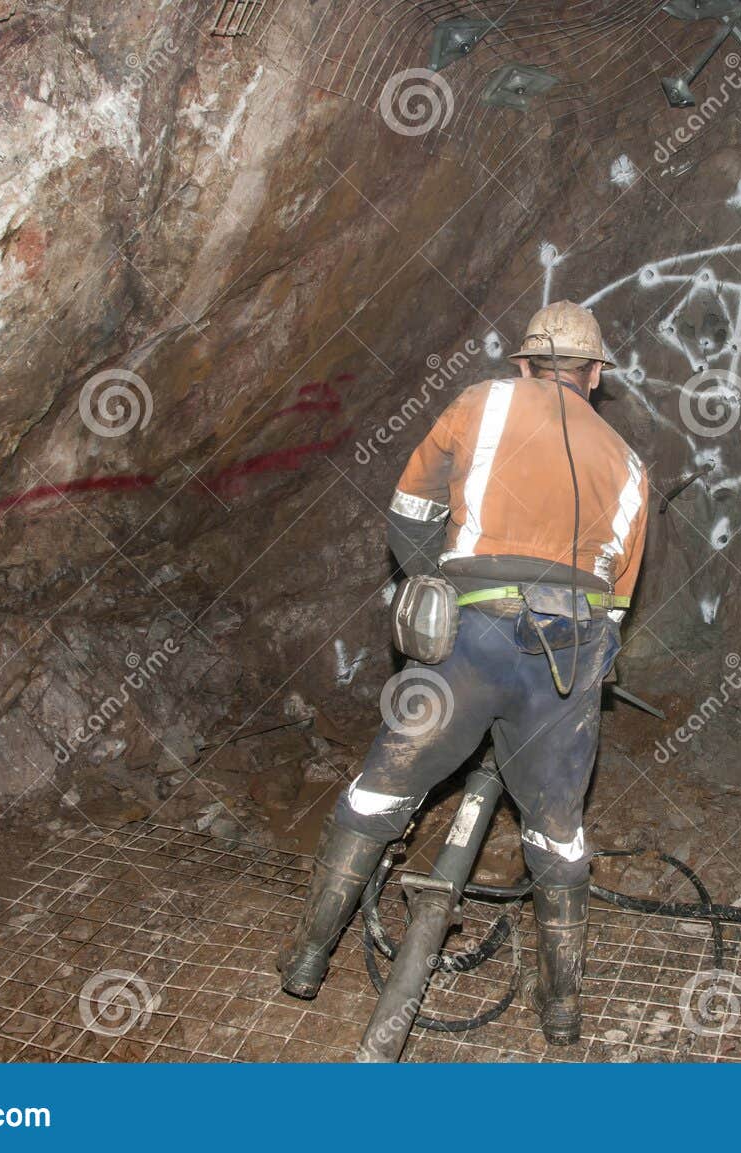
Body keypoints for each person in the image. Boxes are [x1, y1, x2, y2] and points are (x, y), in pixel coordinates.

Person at [278, 301, 649, 1045]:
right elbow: (614, 610)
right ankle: (562, 1007)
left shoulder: (479, 403)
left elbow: (409, 509)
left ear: (522, 363)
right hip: (567, 658)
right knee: (558, 832)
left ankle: (310, 955)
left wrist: (434, 585)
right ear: (596, 374)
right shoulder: (631, 465)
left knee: (381, 789)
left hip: (469, 641)